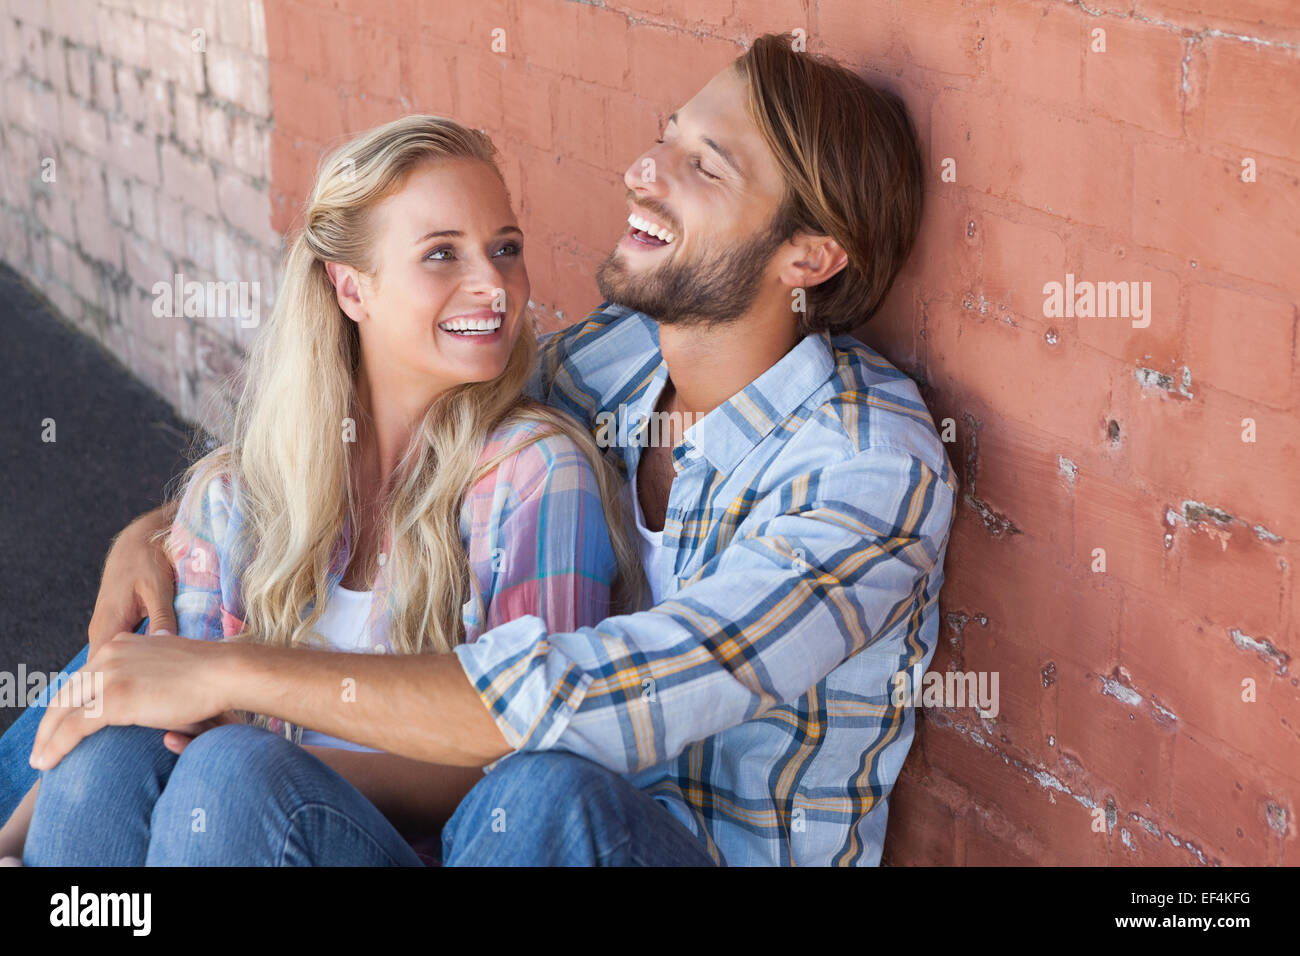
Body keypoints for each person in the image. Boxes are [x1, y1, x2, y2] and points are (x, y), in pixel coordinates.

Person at [2, 34, 958, 867]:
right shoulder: (613, 362)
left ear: (810, 258)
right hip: (488, 830)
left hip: (657, 839)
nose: (643, 170)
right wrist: (157, 536)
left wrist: (234, 678)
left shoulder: (871, 465)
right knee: (108, 733)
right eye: (667, 134)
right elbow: (397, 426)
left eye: (705, 167)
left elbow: (604, 698)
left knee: (529, 788)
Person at [3, 113, 646, 865]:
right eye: (442, 254)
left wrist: (262, 763)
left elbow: (529, 752)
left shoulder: (536, 474)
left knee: (228, 771)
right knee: (120, 741)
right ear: (350, 289)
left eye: (505, 249)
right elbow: (159, 703)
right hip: (221, 828)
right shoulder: (240, 494)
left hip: (413, 846)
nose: (494, 285)